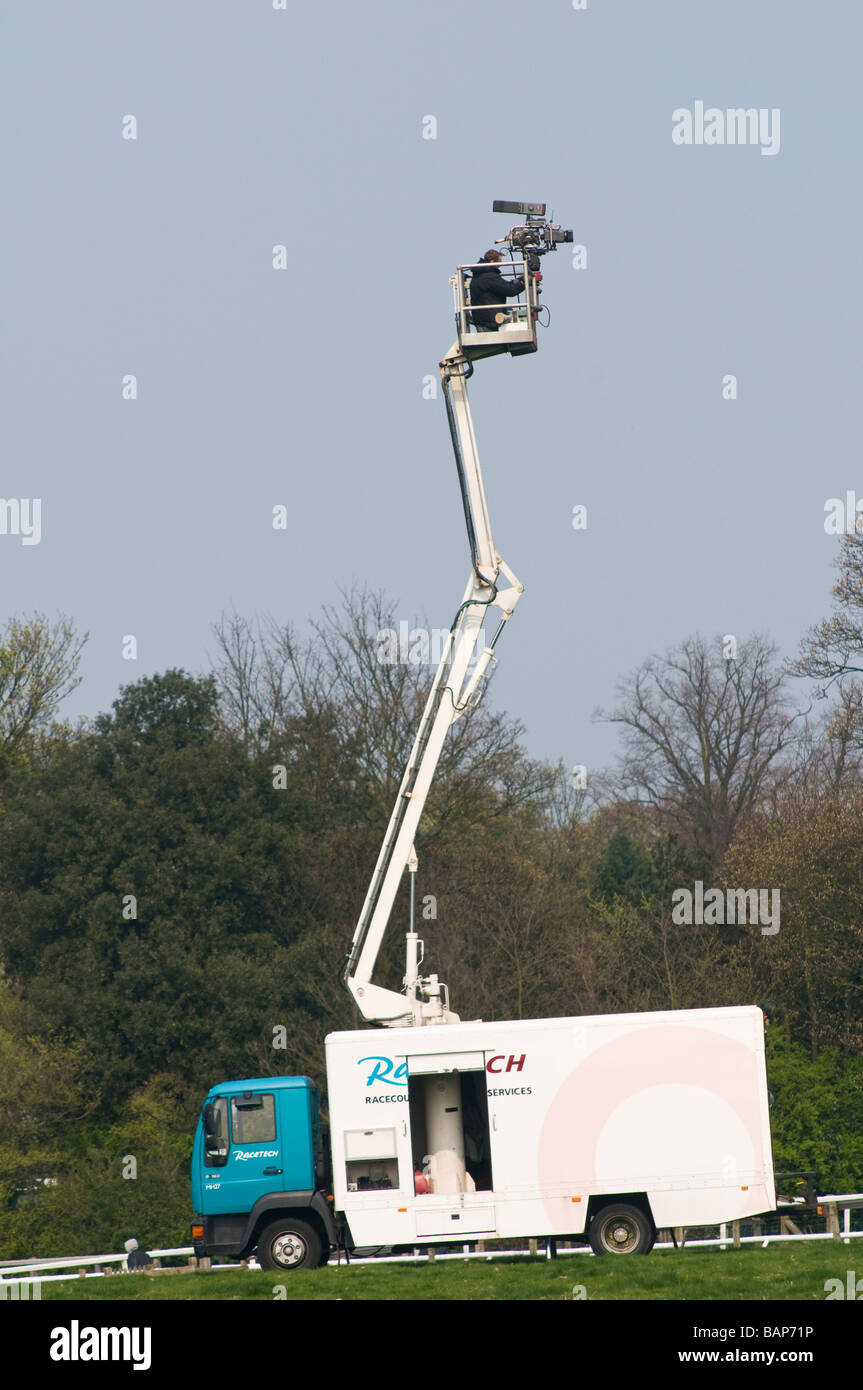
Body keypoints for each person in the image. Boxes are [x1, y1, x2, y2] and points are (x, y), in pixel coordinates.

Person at [469, 250, 526, 331]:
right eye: (499, 263)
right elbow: (510, 290)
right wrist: (525, 281)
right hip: (489, 323)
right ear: (492, 261)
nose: (500, 266)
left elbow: (503, 286)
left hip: (483, 320)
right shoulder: (488, 276)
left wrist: (519, 279)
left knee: (509, 311)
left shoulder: (481, 274)